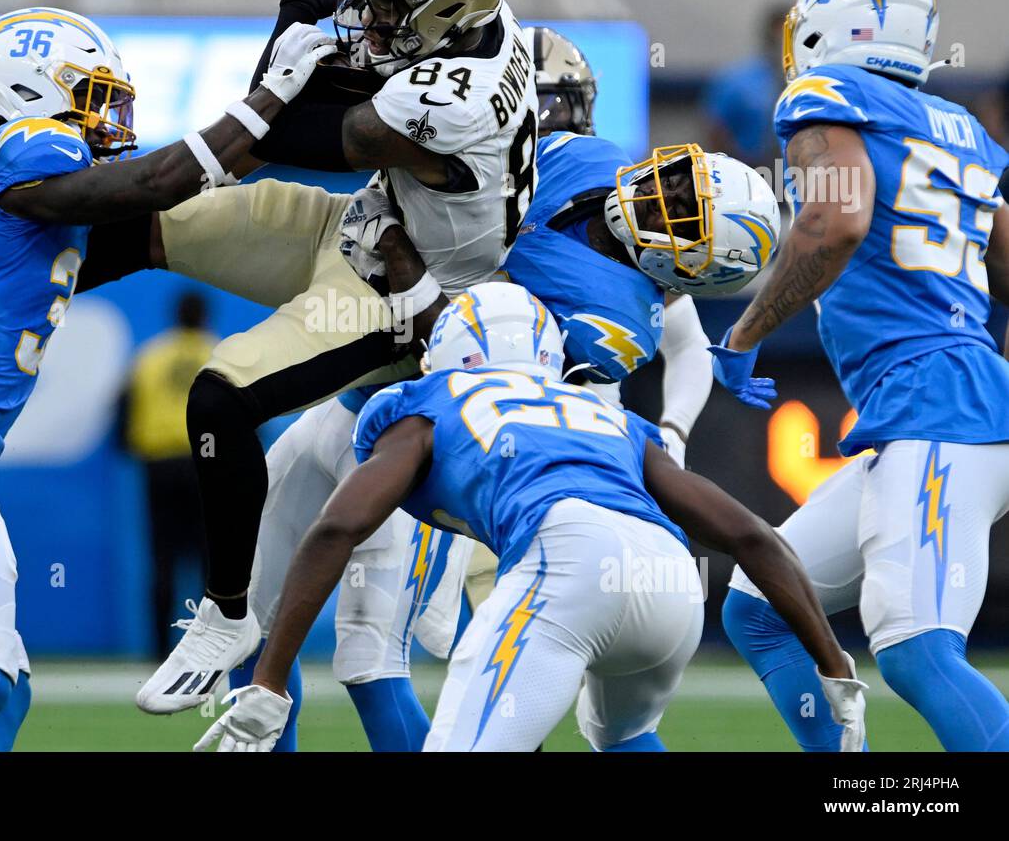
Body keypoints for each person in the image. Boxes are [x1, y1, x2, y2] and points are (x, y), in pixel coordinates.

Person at [0, 5, 335, 751]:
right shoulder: (27, 144)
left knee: (3, 694)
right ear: (25, 90)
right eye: (87, 93)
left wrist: (276, 89)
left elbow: (194, 175)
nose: (106, 114)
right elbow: (158, 179)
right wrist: (271, 91)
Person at [243, 26, 766, 751]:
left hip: (495, 439)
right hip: (498, 435)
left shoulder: (618, 297)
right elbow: (750, 535)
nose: (527, 118)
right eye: (524, 100)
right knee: (269, 604)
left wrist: (395, 249)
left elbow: (463, 339)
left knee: (397, 657)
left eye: (543, 104)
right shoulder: (581, 171)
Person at [126, 0, 543, 713]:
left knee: (220, 398)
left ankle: (224, 614)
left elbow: (273, 131)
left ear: (445, 8)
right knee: (142, 221)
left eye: (391, 4)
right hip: (371, 228)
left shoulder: (448, 99)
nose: (372, 18)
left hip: (404, 288)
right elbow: (306, 105)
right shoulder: (474, 26)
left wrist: (292, 20)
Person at [196, 282, 867, 752]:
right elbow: (751, 534)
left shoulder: (432, 398)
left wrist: (271, 678)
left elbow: (340, 528)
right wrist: (835, 663)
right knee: (622, 735)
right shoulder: (612, 416)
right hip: (668, 586)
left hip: (566, 561)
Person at [713, 0, 1009, 751]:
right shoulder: (965, 133)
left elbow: (835, 223)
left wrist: (744, 332)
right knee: (761, 605)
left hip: (935, 407)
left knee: (916, 651)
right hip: (947, 402)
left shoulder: (824, 96)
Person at [119, 292, 217, 658]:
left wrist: (136, 448)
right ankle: (210, 647)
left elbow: (125, 412)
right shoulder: (219, 355)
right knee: (215, 560)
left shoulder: (150, 357)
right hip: (207, 465)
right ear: (205, 317)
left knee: (162, 558)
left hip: (159, 467)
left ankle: (159, 652)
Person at [702, 5, 787, 167]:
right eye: (781, 33)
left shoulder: (811, 82)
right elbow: (715, 128)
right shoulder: (737, 80)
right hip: (751, 168)